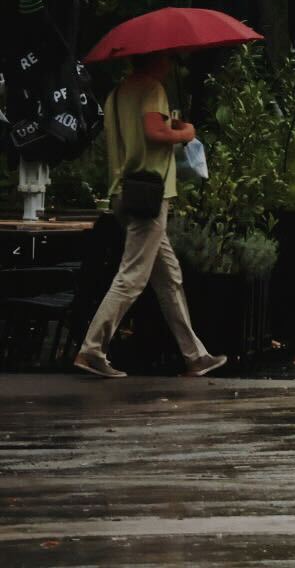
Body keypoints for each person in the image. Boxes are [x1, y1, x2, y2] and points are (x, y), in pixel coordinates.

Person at [75, 54, 227, 379]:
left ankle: (195, 355)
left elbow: (140, 131)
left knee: (168, 276)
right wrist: (185, 134)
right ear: (155, 60)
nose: (171, 64)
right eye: (167, 58)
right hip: (149, 194)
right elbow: (153, 132)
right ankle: (92, 349)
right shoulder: (153, 89)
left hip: (123, 190)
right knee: (131, 277)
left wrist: (169, 126)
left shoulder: (118, 93)